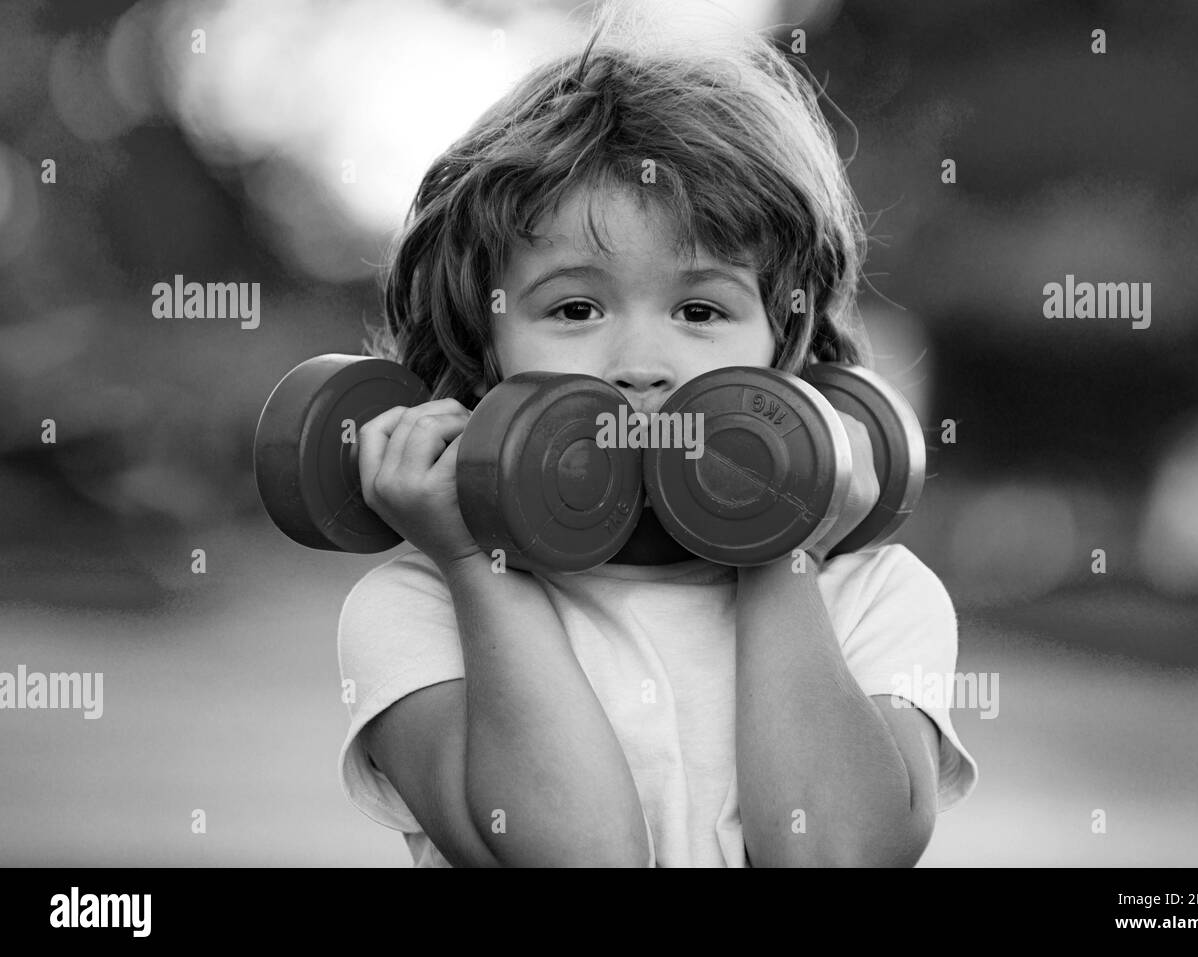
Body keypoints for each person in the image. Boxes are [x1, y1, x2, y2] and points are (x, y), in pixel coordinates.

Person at [337, 4, 977, 867]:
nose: (641, 364)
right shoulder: (420, 602)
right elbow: (577, 856)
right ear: (481, 345)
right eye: (574, 307)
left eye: (701, 309)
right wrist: (475, 563)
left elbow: (836, 854)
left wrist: (778, 549)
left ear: (783, 349)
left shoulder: (873, 593)